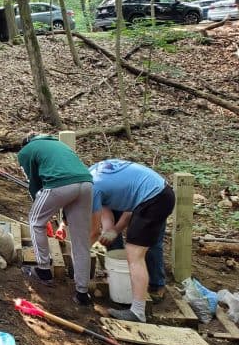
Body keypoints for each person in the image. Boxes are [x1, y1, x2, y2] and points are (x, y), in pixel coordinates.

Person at [88, 159, 175, 322]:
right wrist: (112, 230)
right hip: (159, 192)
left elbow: (94, 232)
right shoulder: (95, 175)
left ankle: (137, 312)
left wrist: (82, 253)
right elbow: (110, 208)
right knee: (136, 250)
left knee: (135, 255)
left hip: (154, 198)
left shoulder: (91, 188)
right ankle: (140, 302)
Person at [17, 134, 94, 305]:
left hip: (60, 184)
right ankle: (82, 292)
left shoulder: (25, 151)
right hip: (87, 183)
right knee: (81, 240)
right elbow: (70, 179)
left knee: (35, 222)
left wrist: (41, 211)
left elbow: (34, 183)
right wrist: (61, 217)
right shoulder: (58, 145)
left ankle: (43, 269)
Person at [103, 210, 166, 302]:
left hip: (150, 203)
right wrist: (108, 231)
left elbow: (129, 213)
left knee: (150, 240)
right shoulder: (99, 197)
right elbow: (106, 211)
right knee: (112, 238)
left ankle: (156, 284)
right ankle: (119, 278)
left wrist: (115, 230)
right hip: (121, 203)